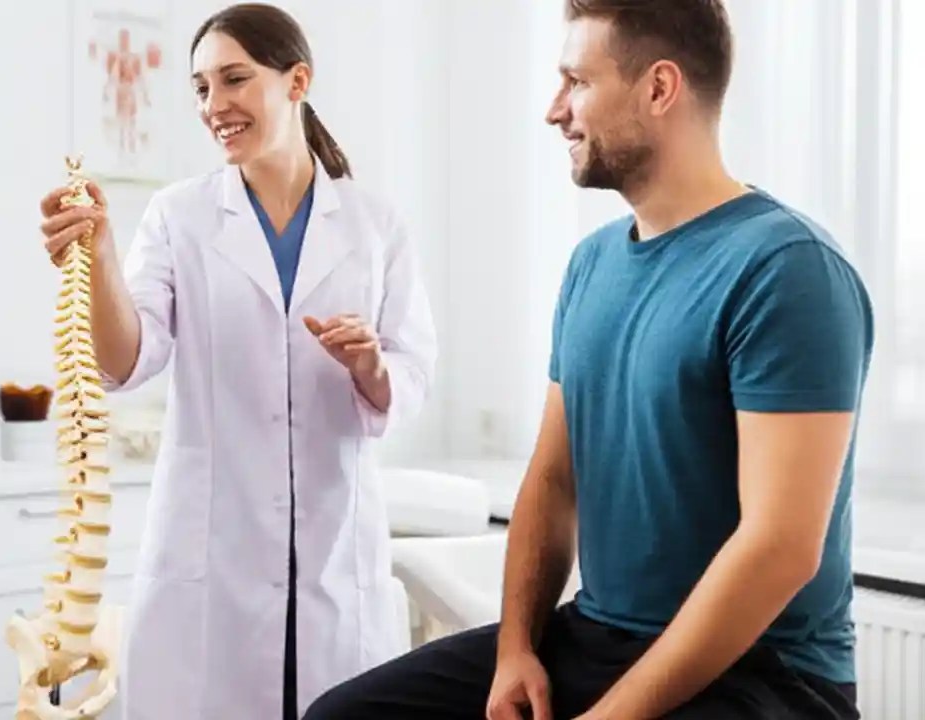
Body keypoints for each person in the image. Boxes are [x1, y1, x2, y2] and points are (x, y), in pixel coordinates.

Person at [304, 1, 873, 719]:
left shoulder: (787, 269)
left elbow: (780, 547)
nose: (554, 110)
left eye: (576, 82)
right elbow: (553, 481)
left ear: (659, 88)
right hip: (598, 637)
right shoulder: (592, 264)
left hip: (763, 673)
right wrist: (516, 649)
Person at [38, 4, 437, 719]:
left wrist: (371, 367)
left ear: (297, 82)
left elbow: (412, 372)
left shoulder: (375, 224)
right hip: (209, 564)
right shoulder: (179, 216)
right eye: (200, 88)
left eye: (233, 79)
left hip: (332, 560)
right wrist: (97, 259)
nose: (213, 105)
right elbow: (129, 359)